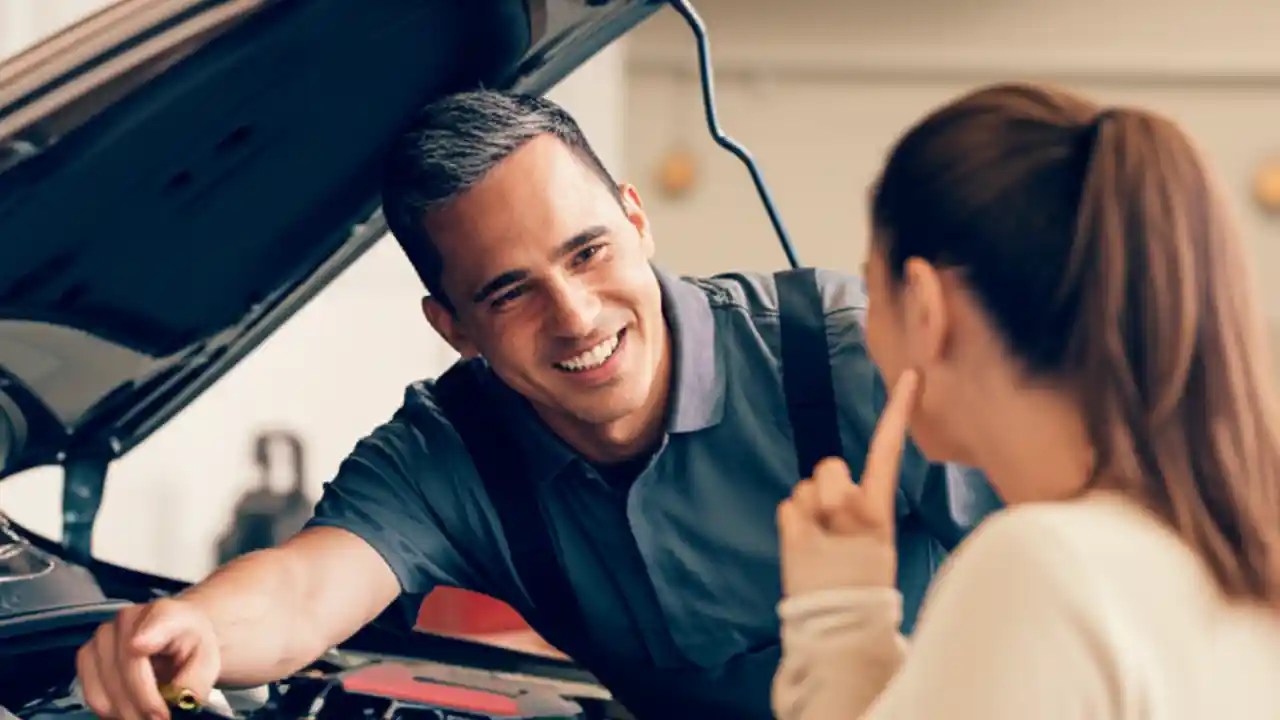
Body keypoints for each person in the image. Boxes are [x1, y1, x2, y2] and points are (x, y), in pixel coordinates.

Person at [73, 90, 997, 719]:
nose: (577, 316)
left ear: (638, 220)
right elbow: (304, 590)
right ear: (453, 326)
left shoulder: (855, 356)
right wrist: (190, 628)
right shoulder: (448, 454)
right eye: (511, 292)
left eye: (589, 251)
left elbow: (1081, 556)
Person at [772, 82, 1280, 720]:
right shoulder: (1230, 557)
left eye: (872, 291)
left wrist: (834, 621)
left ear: (927, 310)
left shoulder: (1041, 568)